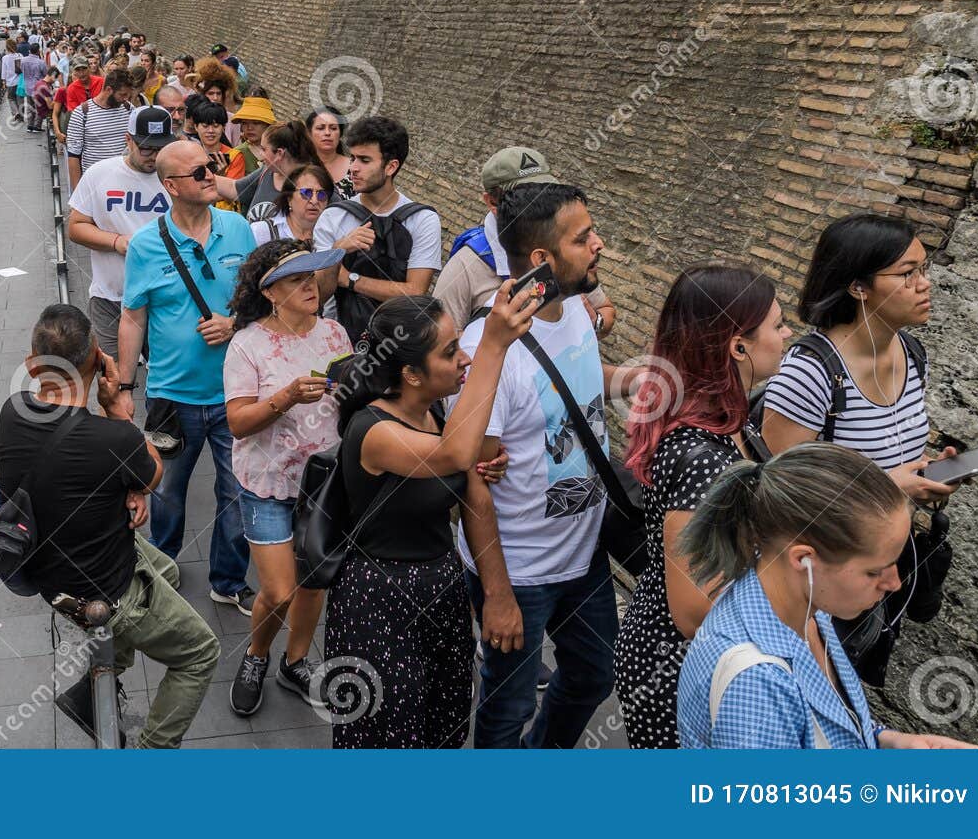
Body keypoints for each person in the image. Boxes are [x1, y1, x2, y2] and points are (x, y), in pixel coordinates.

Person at [457, 181, 637, 749]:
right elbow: (472, 483)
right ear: (542, 260)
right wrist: (498, 594)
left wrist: (627, 378)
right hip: (520, 571)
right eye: (583, 238)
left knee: (593, 675)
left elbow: (573, 389)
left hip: (583, 558)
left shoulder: (577, 311)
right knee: (506, 706)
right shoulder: (491, 348)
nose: (598, 245)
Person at [0, 304, 218, 749]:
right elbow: (153, 472)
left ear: (31, 365)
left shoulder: (13, 410)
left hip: (45, 570)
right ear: (98, 359)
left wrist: (124, 483)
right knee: (201, 653)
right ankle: (154, 750)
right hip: (102, 587)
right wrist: (117, 407)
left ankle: (102, 678)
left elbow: (91, 474)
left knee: (168, 572)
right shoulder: (111, 438)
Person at [325, 289, 538, 747]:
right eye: (449, 352)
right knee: (387, 739)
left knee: (442, 727)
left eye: (462, 345)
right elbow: (453, 454)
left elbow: (472, 492)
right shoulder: (373, 431)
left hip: (440, 590)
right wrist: (493, 346)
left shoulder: (435, 413)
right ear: (409, 373)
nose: (462, 358)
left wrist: (498, 595)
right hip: (379, 601)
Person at [759, 214, 959, 683]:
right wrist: (893, 487)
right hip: (818, 590)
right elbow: (778, 503)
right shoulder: (810, 374)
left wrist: (927, 474)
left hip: (877, 571)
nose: (924, 284)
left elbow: (887, 454)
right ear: (858, 287)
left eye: (923, 269)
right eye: (906, 273)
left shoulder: (911, 353)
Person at [676, 444, 974, 749]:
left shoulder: (804, 605)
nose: (895, 583)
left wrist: (891, 741)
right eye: (874, 572)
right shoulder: (756, 687)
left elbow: (830, 725)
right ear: (804, 559)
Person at [613, 264, 790, 749]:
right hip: (681, 670)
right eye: (777, 325)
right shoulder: (705, 459)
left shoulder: (733, 421)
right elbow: (693, 610)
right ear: (738, 347)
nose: (788, 334)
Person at [117, 140, 256, 615]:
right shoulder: (145, 245)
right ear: (171, 185)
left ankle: (229, 579)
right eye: (199, 172)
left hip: (237, 394)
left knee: (237, 492)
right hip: (171, 399)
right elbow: (133, 318)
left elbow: (259, 302)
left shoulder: (239, 229)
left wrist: (234, 323)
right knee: (168, 492)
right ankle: (164, 568)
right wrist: (122, 386)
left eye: (212, 166)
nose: (211, 174)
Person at [223, 240, 350, 714]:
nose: (309, 286)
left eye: (311, 276)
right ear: (271, 292)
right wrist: (287, 397)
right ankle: (257, 654)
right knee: (278, 591)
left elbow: (347, 402)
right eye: (296, 279)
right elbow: (237, 422)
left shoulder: (336, 334)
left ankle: (295, 662)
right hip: (268, 483)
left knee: (314, 581)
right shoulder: (247, 344)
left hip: (323, 483)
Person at [435, 146, 617, 340]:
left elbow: (606, 310)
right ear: (491, 202)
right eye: (523, 195)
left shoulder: (565, 254)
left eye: (545, 191)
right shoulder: (465, 267)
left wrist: (593, 324)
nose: (539, 202)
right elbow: (436, 346)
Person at [311, 116, 441, 339]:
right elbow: (318, 296)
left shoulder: (422, 219)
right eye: (352, 158)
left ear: (391, 166)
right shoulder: (333, 217)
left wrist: (349, 279)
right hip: (339, 340)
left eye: (364, 160)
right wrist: (336, 252)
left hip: (400, 342)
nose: (353, 168)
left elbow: (415, 293)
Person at [68, 107, 178, 360]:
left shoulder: (177, 176)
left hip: (165, 299)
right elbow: (76, 226)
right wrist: (117, 242)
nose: (154, 156)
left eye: (161, 148)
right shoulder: (99, 174)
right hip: (111, 298)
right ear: (128, 139)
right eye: (146, 148)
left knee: (164, 378)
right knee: (112, 376)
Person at [65, 66, 139, 190]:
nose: (125, 98)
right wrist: (77, 192)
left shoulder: (128, 108)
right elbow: (73, 156)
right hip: (94, 183)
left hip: (124, 181)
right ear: (109, 89)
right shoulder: (82, 113)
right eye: (122, 94)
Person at [235, 120, 314, 220]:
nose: (260, 155)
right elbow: (234, 188)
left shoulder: (316, 184)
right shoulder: (266, 172)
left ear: (279, 153)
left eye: (264, 149)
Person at [251, 163, 333, 246]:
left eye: (322, 194)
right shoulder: (260, 232)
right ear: (289, 198)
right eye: (306, 193)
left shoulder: (332, 234)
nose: (314, 201)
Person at [225, 95, 275, 184]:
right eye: (244, 123)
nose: (249, 128)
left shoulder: (280, 151)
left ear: (268, 125)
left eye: (256, 123)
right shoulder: (237, 154)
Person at [305, 108, 354, 199]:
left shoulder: (354, 168)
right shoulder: (299, 165)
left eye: (333, 128)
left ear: (340, 134)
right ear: (309, 134)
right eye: (320, 128)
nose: (327, 133)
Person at [189, 98, 233, 195]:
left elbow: (233, 193)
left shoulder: (234, 156)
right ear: (196, 127)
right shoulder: (189, 155)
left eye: (216, 126)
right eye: (205, 126)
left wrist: (219, 178)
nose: (210, 131)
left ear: (224, 127)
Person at [19, 41, 48, 132]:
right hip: (37, 87)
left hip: (27, 85)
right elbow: (45, 74)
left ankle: (30, 125)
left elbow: (22, 70)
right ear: (38, 51)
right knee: (39, 107)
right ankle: (37, 126)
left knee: (30, 106)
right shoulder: (40, 62)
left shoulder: (23, 60)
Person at [0, 38, 22, 121]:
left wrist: (3, 81)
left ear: (7, 47)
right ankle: (21, 114)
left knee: (11, 98)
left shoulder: (5, 58)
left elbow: (4, 71)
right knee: (19, 99)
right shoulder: (20, 56)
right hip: (19, 81)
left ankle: (16, 112)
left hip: (10, 82)